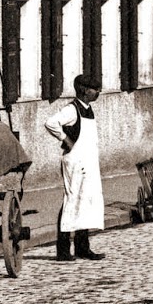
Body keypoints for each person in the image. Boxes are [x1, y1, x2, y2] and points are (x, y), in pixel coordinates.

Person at [44, 74, 105, 261]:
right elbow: (50, 123)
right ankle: (63, 250)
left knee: (85, 203)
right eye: (95, 89)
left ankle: (82, 248)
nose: (98, 92)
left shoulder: (88, 109)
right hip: (76, 161)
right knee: (71, 202)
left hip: (87, 162)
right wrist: (66, 140)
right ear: (84, 90)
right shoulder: (72, 110)